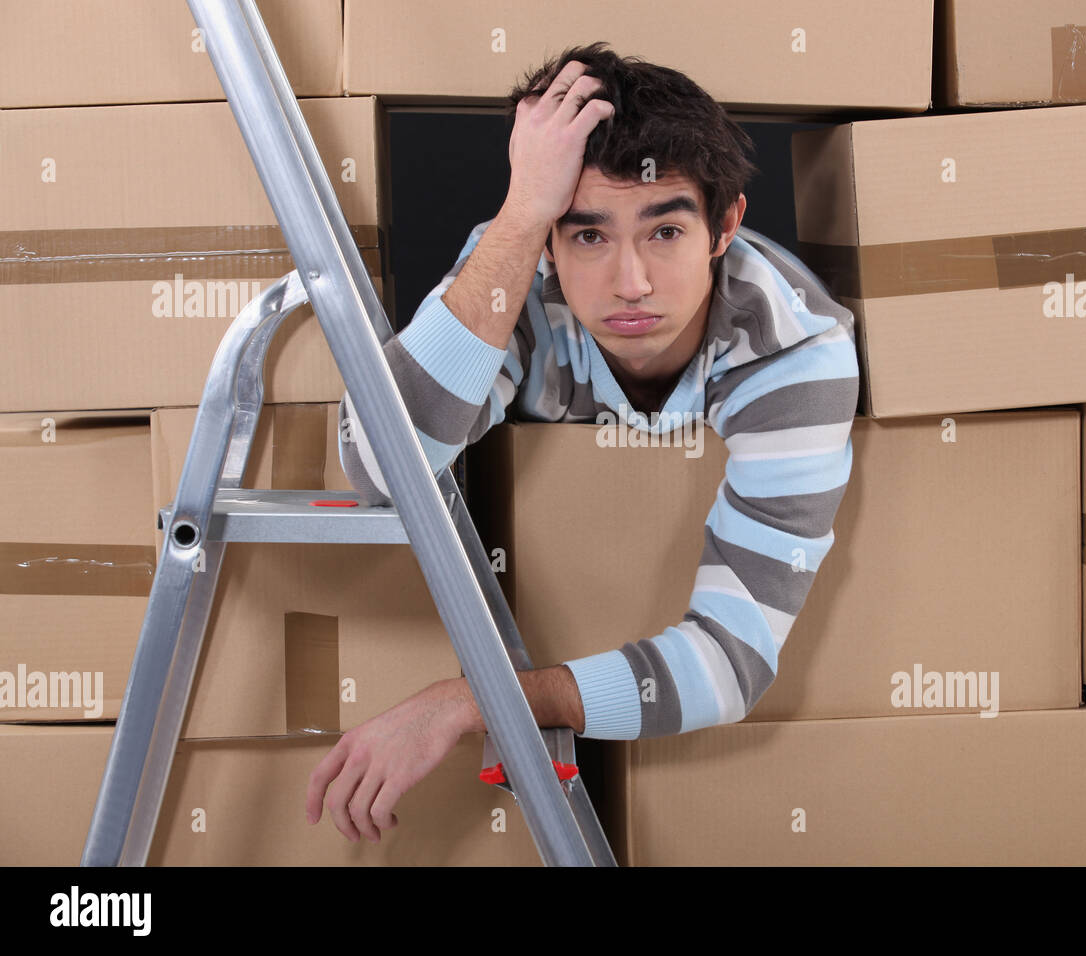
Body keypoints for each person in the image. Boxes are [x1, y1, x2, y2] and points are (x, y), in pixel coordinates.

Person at [306, 42, 859, 844]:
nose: (630, 281)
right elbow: (376, 468)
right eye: (588, 236)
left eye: (665, 231)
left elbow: (730, 665)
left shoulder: (792, 350)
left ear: (724, 226)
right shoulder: (512, 275)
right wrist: (524, 212)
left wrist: (473, 701)